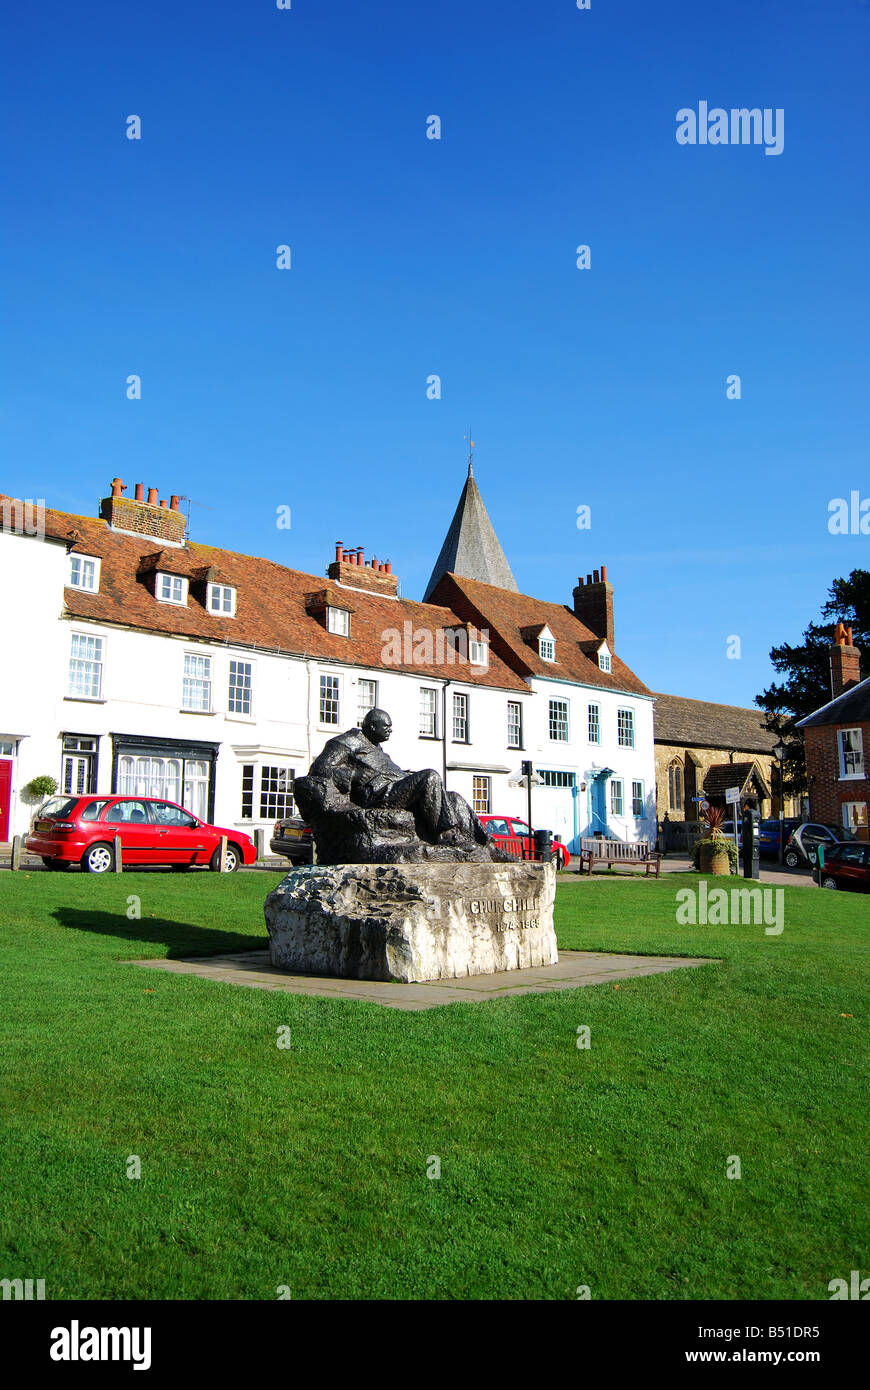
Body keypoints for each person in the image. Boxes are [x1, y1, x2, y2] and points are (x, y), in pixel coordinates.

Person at [308, 707, 489, 847]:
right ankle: (445, 835)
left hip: (395, 787)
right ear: (372, 726)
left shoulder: (376, 747)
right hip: (380, 795)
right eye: (386, 727)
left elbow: (389, 771)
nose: (390, 731)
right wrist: (353, 774)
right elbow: (319, 768)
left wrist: (406, 775)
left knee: (454, 798)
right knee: (429, 777)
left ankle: (484, 843)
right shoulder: (348, 741)